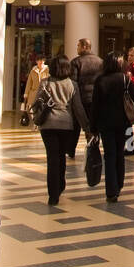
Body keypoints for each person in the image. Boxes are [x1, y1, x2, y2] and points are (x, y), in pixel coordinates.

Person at [38, 56, 91, 205]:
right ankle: (60, 184)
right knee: (61, 156)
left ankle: (53, 194)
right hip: (66, 125)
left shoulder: (45, 83)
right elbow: (78, 109)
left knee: (52, 158)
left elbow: (38, 102)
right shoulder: (72, 84)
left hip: (48, 125)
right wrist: (86, 127)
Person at [90, 53, 132, 201]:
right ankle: (119, 184)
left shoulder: (100, 80)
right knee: (120, 153)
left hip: (105, 123)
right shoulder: (125, 78)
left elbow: (95, 105)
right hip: (123, 122)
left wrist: (93, 127)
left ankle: (111, 191)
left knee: (109, 155)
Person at [68, 38, 103, 158]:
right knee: (94, 124)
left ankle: (71, 149)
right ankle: (93, 147)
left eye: (78, 46)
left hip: (81, 98)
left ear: (84, 47)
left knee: (75, 125)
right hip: (96, 99)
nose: (77, 48)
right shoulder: (100, 61)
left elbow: (73, 82)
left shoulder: (76, 62)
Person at [22, 50, 49, 122]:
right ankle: (35, 122)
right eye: (39, 60)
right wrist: (26, 93)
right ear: (36, 61)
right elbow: (29, 83)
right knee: (31, 107)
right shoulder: (33, 70)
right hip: (33, 92)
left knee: (42, 108)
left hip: (44, 93)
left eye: (43, 60)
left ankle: (40, 122)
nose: (41, 62)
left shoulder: (48, 70)